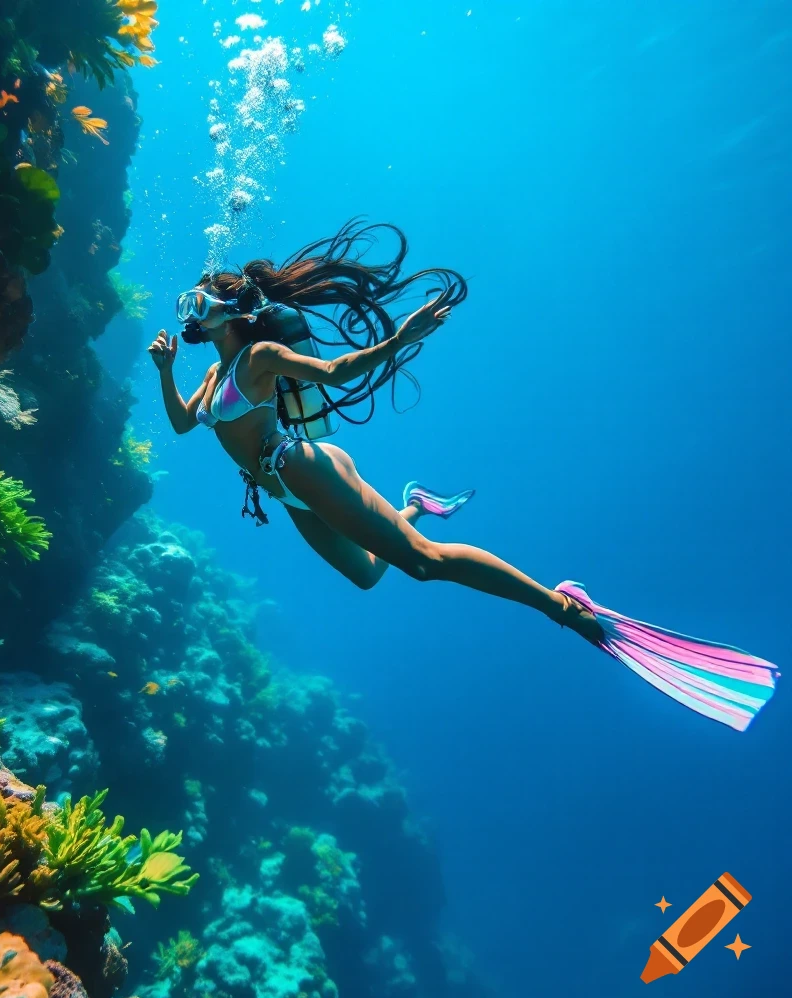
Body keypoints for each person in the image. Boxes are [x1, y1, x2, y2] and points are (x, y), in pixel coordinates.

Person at [149, 222, 778, 731]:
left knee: (421, 562)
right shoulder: (212, 377)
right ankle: (415, 504)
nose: (191, 312)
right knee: (369, 575)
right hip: (286, 493)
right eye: (190, 304)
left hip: (302, 469)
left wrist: (401, 336)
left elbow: (338, 374)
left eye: (199, 303)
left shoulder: (260, 357)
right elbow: (183, 424)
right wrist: (165, 370)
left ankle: (564, 606)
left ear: (228, 310)